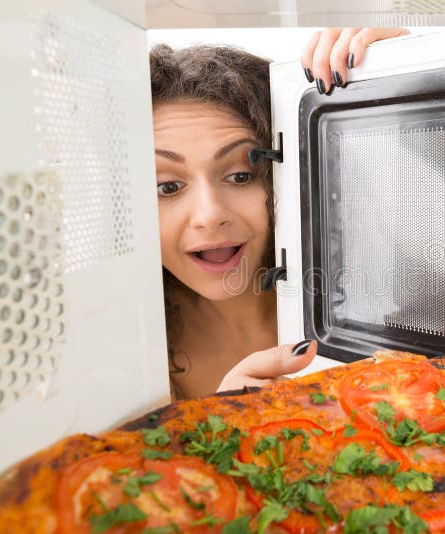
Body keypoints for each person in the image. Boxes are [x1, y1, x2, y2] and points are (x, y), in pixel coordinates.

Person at [150, 28, 409, 399]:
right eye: (168, 187)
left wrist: (421, 93)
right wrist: (216, 428)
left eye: (241, 176)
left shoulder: (373, 291)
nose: (209, 216)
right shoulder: (110, 356)